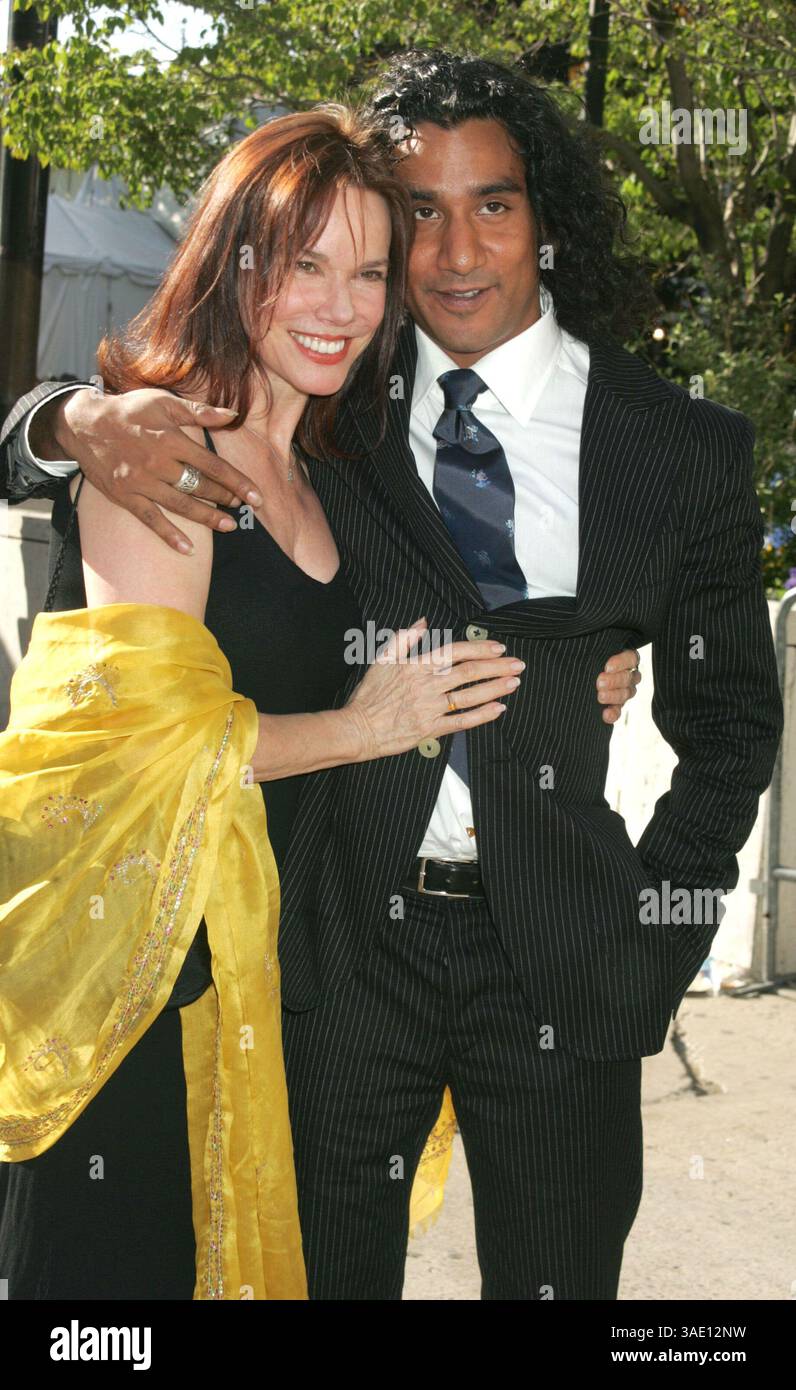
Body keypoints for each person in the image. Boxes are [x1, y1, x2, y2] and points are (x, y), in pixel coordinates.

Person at [4, 51, 739, 1302]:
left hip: (473, 959)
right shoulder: (248, 423)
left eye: (491, 206)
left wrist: (638, 918)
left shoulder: (617, 446)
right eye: (313, 261)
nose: (435, 261)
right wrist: (61, 417)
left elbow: (711, 716)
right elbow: (155, 728)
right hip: (249, 970)